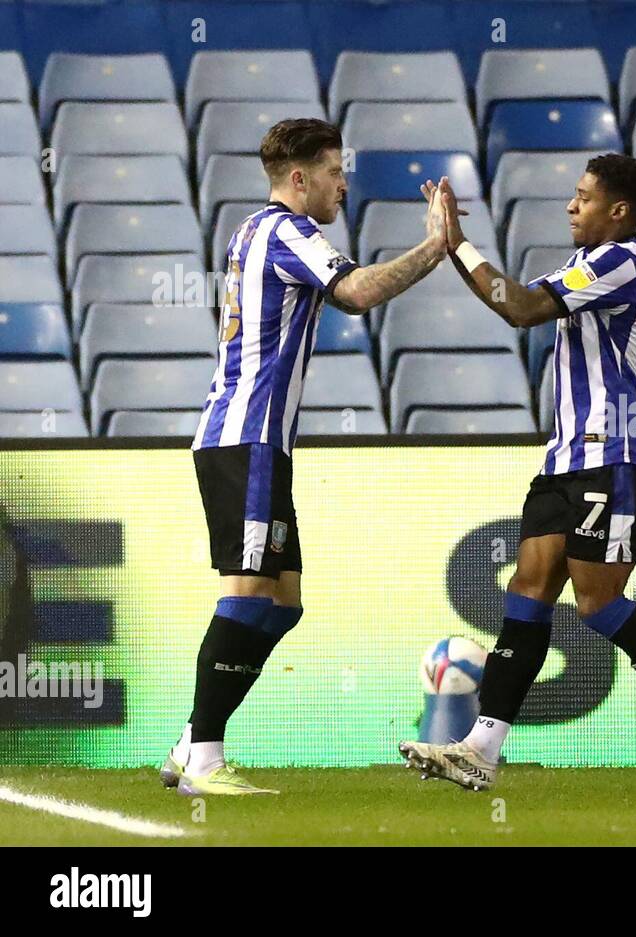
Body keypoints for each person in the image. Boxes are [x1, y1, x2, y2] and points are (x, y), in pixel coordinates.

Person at [398, 154, 636, 792]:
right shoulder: (582, 264)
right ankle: (482, 747)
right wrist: (454, 248)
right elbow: (514, 297)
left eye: (584, 197)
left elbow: (523, 309)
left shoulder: (623, 261)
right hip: (567, 455)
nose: (571, 205)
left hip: (615, 451)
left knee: (597, 601)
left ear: (618, 211)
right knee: (528, 588)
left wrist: (457, 243)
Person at [161, 118, 452, 795]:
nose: (342, 184)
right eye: (331, 171)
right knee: (248, 587)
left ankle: (189, 740)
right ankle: (203, 756)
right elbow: (356, 293)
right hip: (248, 438)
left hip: (257, 441)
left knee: (283, 600)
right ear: (300, 178)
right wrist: (436, 245)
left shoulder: (251, 231)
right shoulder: (288, 231)